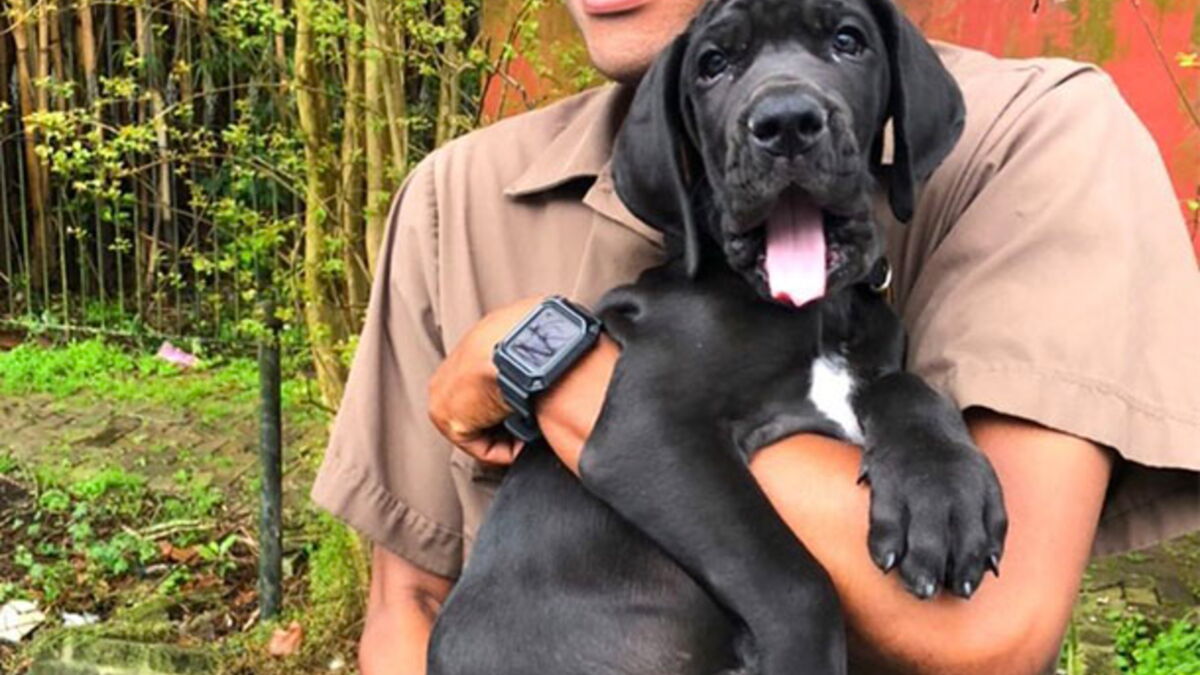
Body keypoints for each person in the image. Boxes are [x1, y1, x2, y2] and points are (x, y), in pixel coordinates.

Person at [311, 1, 1200, 672]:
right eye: (719, 67)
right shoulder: (451, 195)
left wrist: (553, 361)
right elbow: (410, 599)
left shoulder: (1035, 135)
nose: (780, 105)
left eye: (842, 43)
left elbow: (994, 630)